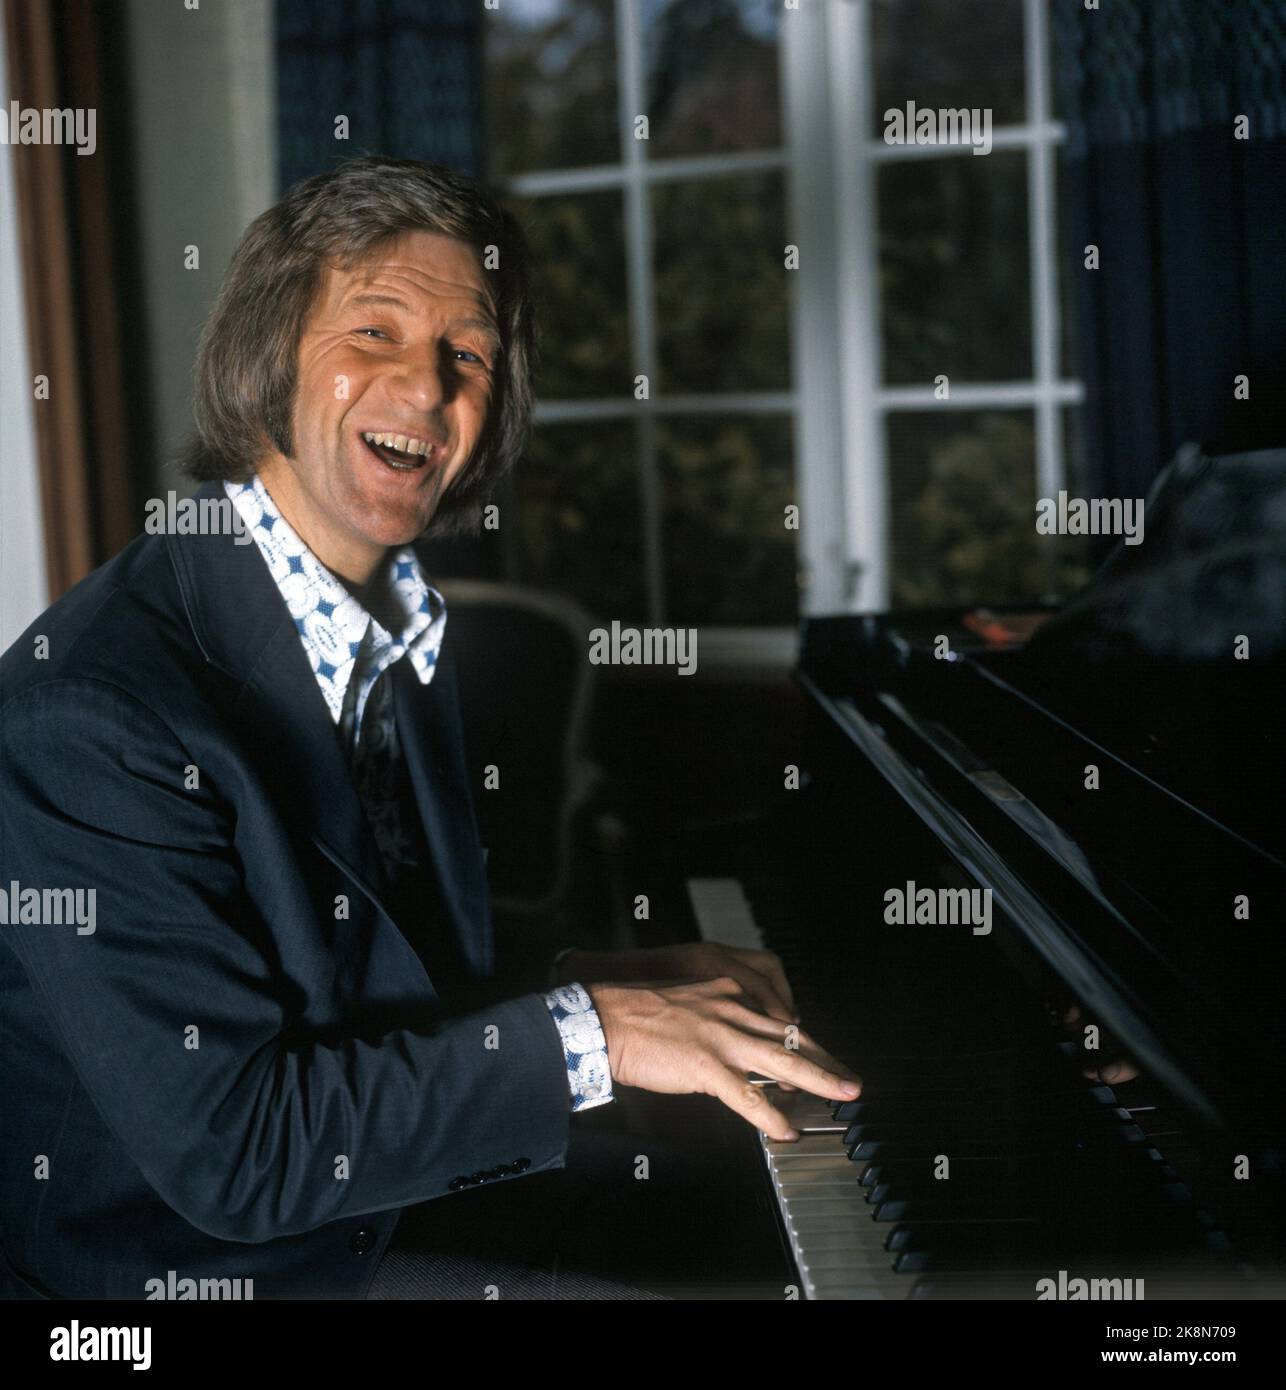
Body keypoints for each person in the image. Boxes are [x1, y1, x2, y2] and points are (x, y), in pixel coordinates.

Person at [0, 156, 859, 1301]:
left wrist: (612, 977)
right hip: (205, 1271)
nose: (426, 387)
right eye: (374, 332)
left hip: (378, 1197)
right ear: (269, 358)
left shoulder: (386, 624)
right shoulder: (91, 715)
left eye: (470, 354)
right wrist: (597, 1029)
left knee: (783, 1220)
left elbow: (376, 986)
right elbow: (239, 1155)